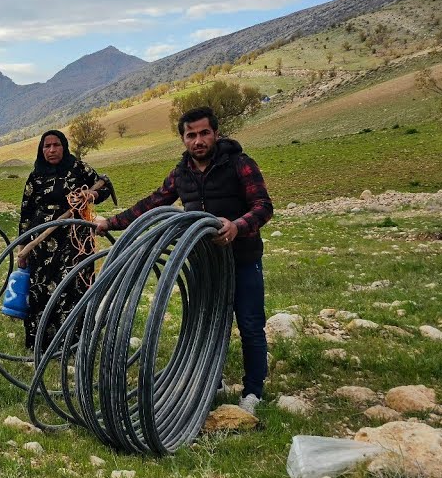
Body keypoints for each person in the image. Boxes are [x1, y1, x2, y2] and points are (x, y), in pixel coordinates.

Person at [95, 106, 273, 414]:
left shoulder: (239, 164)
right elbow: (152, 204)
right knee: (207, 324)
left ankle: (253, 391)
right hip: (205, 264)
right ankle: (210, 380)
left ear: (216, 134)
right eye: (191, 135)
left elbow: (263, 206)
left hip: (242, 259)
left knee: (250, 324)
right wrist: (111, 222)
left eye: (204, 133)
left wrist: (236, 225)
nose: (198, 141)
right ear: (183, 139)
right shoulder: (181, 174)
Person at [18, 130, 113, 352]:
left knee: (75, 284)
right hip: (42, 241)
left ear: (64, 147)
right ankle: (42, 341)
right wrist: (22, 248)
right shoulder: (36, 176)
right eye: (46, 146)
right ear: (41, 150)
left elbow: (104, 186)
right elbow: (26, 212)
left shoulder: (79, 168)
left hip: (75, 237)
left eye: (56, 145)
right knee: (41, 287)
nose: (51, 150)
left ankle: (74, 342)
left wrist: (92, 195)